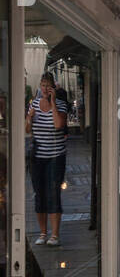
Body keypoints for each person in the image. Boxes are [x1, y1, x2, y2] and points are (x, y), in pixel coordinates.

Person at [25, 71, 68, 247]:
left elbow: (58, 125)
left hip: (55, 156)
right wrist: (29, 117)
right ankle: (43, 233)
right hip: (37, 156)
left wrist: (53, 103)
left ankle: (55, 234)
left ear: (53, 88)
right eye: (42, 85)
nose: (44, 88)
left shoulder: (61, 105)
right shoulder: (34, 103)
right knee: (39, 194)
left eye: (48, 86)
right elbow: (28, 130)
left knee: (53, 193)